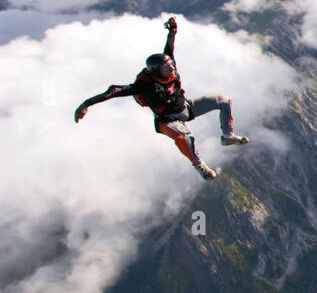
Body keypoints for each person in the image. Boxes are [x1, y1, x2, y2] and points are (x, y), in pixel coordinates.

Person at [74, 16, 249, 180]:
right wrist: (85, 104)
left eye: (171, 65)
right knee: (184, 138)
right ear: (157, 71)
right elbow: (113, 91)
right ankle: (199, 165)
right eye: (167, 68)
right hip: (167, 120)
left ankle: (227, 135)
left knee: (224, 101)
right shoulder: (146, 86)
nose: (172, 69)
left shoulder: (170, 68)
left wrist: (172, 31)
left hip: (186, 108)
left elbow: (169, 48)